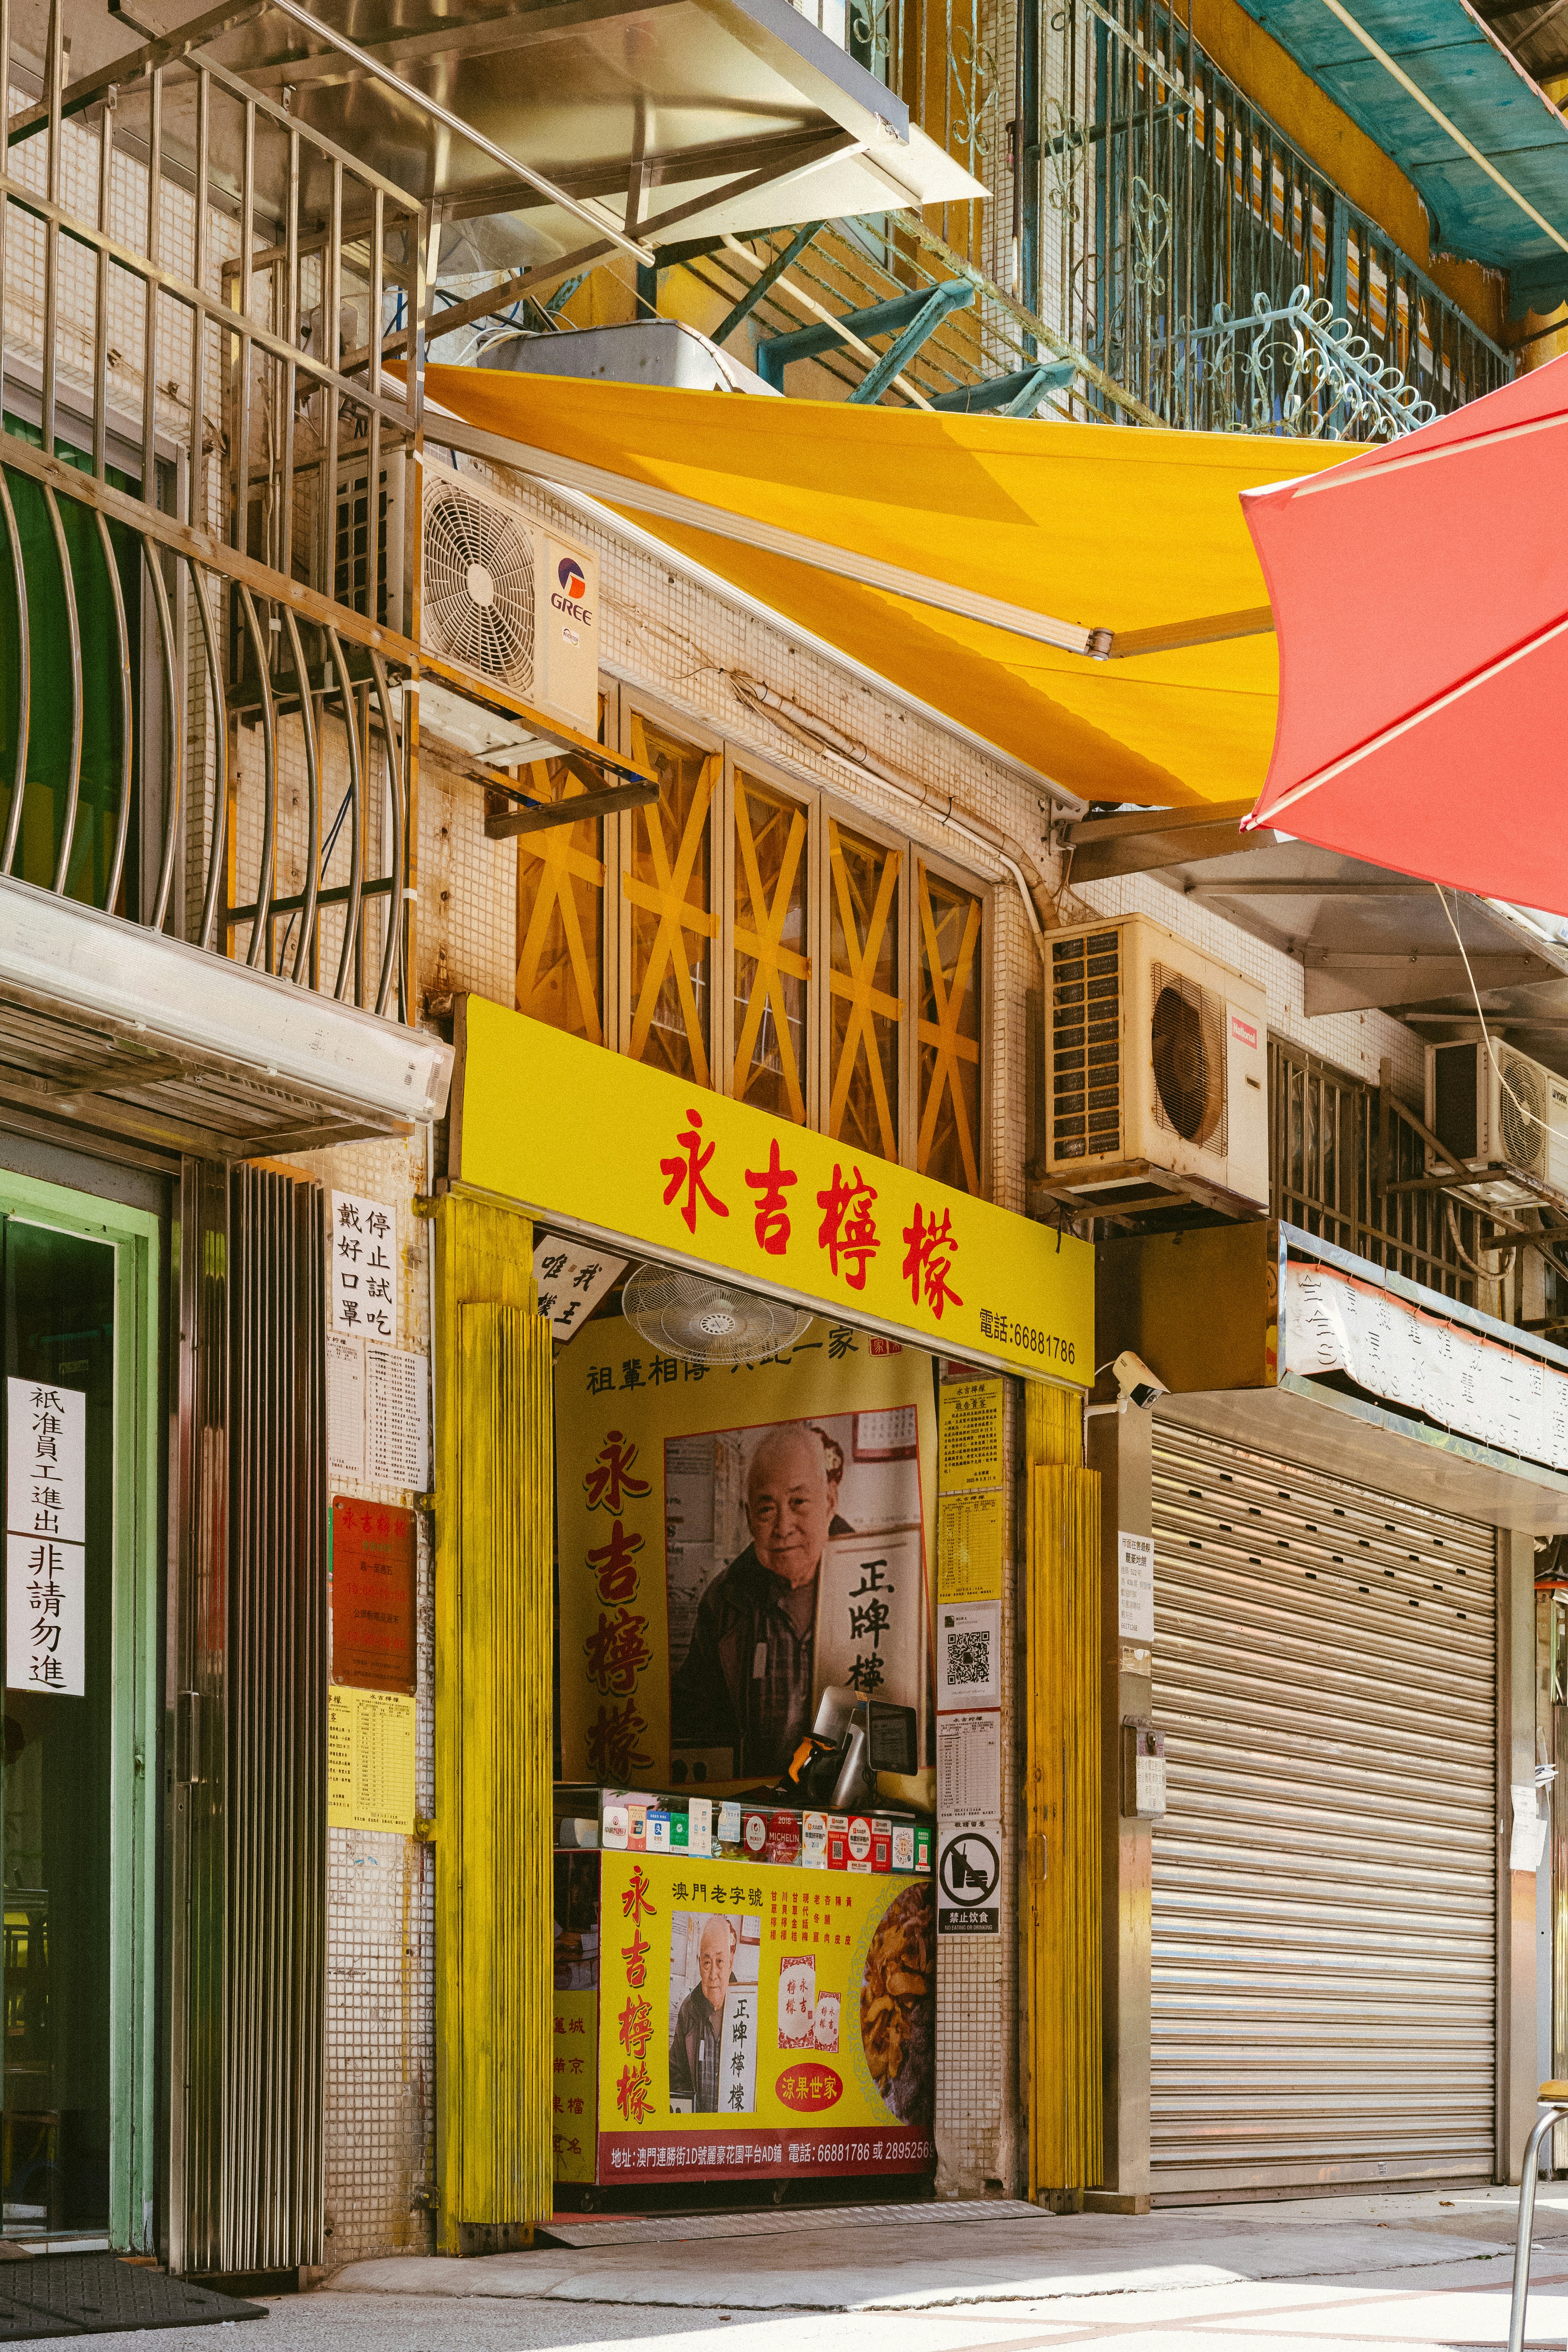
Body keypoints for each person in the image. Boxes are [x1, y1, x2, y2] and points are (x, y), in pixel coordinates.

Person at [670, 1422, 850, 1777]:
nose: (783, 1527)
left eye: (798, 1503)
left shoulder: (879, 1585)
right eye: (767, 1509)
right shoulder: (723, 1603)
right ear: (748, 1516)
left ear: (829, 1503)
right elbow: (693, 1722)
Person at [668, 1913, 739, 2113]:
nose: (713, 1974)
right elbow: (675, 2074)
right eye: (707, 1962)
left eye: (720, 1961)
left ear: (731, 1961)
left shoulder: (748, 2008)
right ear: (699, 1963)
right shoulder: (688, 2011)